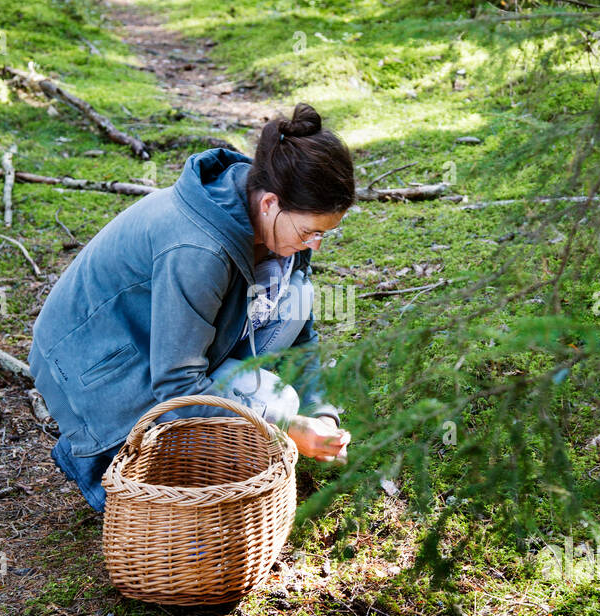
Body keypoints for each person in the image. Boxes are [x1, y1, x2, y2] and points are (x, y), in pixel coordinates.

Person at [28, 102, 355, 512]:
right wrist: (284, 425)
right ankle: (104, 456)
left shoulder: (279, 226)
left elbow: (302, 336)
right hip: (92, 362)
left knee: (294, 302)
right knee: (274, 410)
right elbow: (178, 384)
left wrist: (320, 413)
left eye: (324, 233)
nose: (315, 245)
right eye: (310, 232)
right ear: (270, 203)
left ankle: (225, 409)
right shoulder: (198, 249)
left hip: (160, 347)